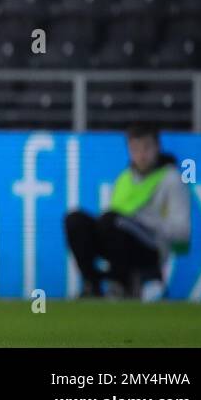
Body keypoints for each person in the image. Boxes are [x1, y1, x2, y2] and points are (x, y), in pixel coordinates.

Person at [64, 123, 190, 298]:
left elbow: (182, 232)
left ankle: (121, 283)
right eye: (135, 149)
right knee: (75, 220)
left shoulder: (171, 179)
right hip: (119, 238)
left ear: (158, 147)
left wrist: (141, 221)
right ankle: (91, 283)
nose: (141, 155)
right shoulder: (125, 178)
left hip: (150, 247)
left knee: (113, 220)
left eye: (147, 147)